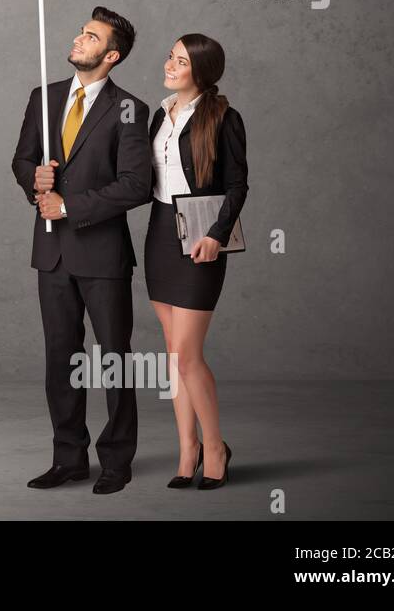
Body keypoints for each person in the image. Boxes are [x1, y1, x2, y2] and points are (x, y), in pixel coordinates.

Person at [11, 6, 153, 495]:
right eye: (80, 32)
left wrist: (69, 205)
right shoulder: (43, 97)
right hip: (51, 255)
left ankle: (116, 461)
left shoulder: (131, 109)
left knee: (113, 358)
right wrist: (34, 180)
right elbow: (22, 158)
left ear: (110, 55)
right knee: (60, 359)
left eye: (90, 37)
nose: (78, 39)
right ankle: (68, 458)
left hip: (102, 255)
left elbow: (136, 185)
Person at [145, 34, 248, 490]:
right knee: (173, 356)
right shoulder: (158, 113)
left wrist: (216, 236)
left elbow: (238, 185)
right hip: (159, 232)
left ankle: (215, 445)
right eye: (171, 55)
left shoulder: (224, 117)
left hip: (201, 234)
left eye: (181, 61)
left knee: (188, 356)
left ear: (201, 72)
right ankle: (186, 451)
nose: (170, 64)